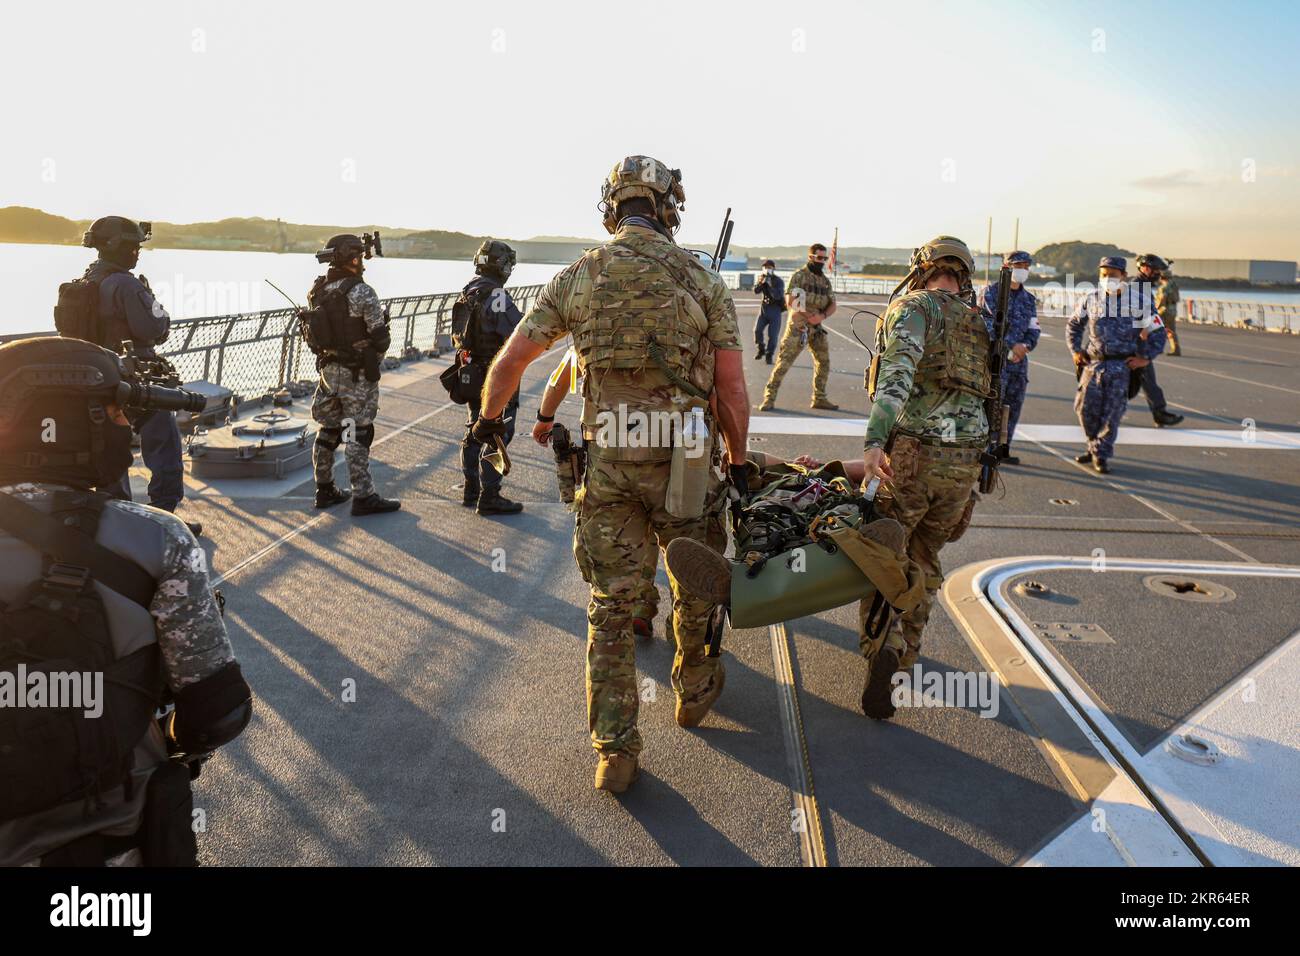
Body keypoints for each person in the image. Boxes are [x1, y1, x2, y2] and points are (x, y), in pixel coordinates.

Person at [474, 155, 750, 793]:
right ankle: (694, 688)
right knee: (695, 584)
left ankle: (616, 750)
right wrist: (737, 463)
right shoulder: (702, 280)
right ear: (667, 206)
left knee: (610, 605)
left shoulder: (578, 276)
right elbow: (733, 391)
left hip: (610, 466)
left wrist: (490, 425)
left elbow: (513, 361)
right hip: (685, 460)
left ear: (612, 205)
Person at [0, 336, 252, 866]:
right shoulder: (161, 539)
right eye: (116, 416)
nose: (126, 430)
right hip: (108, 840)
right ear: (83, 422)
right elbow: (220, 711)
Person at [857, 236, 990, 719]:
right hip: (965, 461)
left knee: (885, 552)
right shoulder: (979, 322)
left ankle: (884, 644)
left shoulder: (914, 309)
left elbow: (895, 378)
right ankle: (906, 653)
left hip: (914, 455)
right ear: (964, 273)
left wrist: (875, 442)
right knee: (926, 558)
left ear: (922, 267)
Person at [56, 216, 200, 535]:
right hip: (138, 374)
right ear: (117, 247)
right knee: (163, 442)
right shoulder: (126, 284)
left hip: (98, 373)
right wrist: (155, 302)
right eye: (133, 246)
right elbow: (155, 328)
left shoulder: (88, 279)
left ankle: (115, 518)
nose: (137, 252)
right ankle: (165, 518)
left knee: (110, 445)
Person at [305, 234, 401, 515]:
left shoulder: (318, 290)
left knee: (329, 430)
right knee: (359, 432)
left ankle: (324, 489)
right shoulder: (362, 292)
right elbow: (380, 338)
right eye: (358, 257)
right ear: (351, 258)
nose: (362, 262)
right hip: (356, 374)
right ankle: (364, 495)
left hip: (328, 370)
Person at [1068, 256, 1169, 473]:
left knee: (1112, 414)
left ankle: (1100, 455)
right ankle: (1093, 445)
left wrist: (1146, 358)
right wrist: (1076, 350)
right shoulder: (1091, 299)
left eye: (1112, 275)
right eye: (1104, 275)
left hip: (1121, 366)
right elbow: (1074, 325)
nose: (1108, 279)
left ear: (1123, 276)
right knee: (1084, 410)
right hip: (1093, 365)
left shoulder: (1139, 301)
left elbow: (1158, 332)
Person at [456, 240, 525, 515]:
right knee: (498, 431)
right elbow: (518, 333)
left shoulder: (469, 290)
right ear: (502, 266)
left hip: (471, 372)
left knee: (474, 427)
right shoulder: (497, 295)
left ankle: (470, 488)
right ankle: (490, 495)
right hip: (495, 374)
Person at [758, 243, 838, 411]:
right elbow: (791, 301)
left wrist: (821, 317)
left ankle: (819, 398)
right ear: (811, 257)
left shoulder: (824, 282)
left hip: (816, 328)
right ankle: (769, 398)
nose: (822, 261)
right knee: (784, 363)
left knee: (824, 362)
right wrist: (811, 317)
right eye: (819, 258)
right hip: (798, 327)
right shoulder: (799, 276)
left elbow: (833, 305)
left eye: (825, 258)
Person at [979, 250, 1041, 464]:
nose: (1022, 270)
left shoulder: (1029, 300)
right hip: (996, 362)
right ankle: (986, 449)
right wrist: (1008, 348)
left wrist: (1025, 346)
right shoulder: (990, 293)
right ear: (1006, 268)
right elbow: (986, 327)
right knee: (991, 406)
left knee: (1012, 407)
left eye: (1025, 267)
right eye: (1017, 266)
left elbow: (1034, 329)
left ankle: (1003, 448)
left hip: (1018, 364)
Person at [1132, 254, 1184, 426]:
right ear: (1144, 268)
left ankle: (1159, 412)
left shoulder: (1143, 286)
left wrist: (1157, 327)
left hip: (1140, 342)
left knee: (1149, 380)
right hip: (1131, 343)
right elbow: (1138, 316)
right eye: (1155, 270)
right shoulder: (1136, 287)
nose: (1157, 274)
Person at [752, 260, 786, 364]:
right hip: (764, 309)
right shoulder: (762, 278)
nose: (767, 269)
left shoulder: (778, 281)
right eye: (765, 267)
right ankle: (761, 348)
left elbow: (778, 296)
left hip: (775, 310)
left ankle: (769, 354)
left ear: (773, 268)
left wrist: (770, 285)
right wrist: (761, 283)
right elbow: (756, 291)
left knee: (773, 335)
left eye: (769, 267)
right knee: (757, 330)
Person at [1156, 261, 1181, 357]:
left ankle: (1159, 348)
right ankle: (1175, 348)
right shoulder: (1174, 285)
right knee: (1171, 330)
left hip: (1164, 310)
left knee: (1157, 329)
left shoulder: (1164, 287)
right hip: (1172, 309)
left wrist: (1156, 309)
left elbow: (1162, 299)